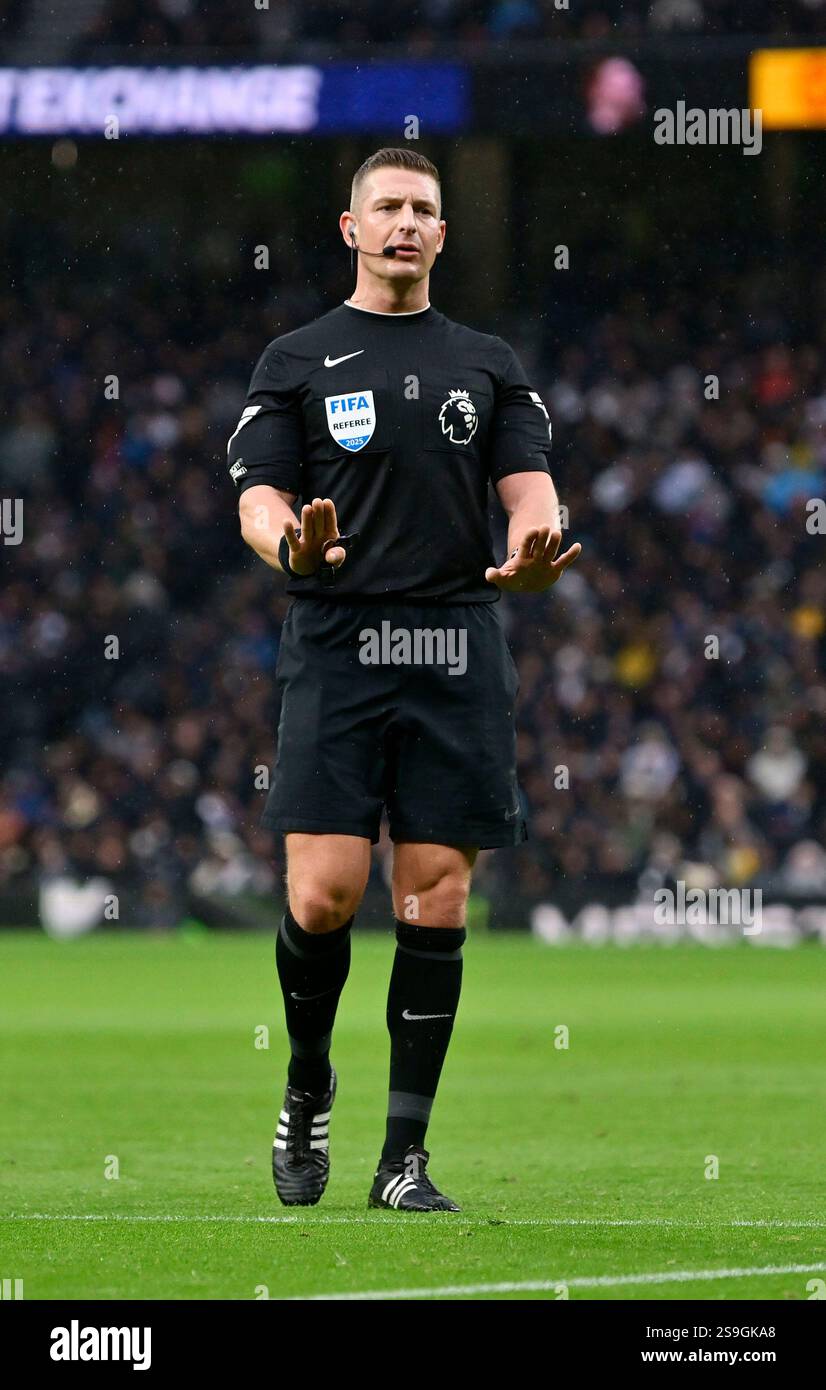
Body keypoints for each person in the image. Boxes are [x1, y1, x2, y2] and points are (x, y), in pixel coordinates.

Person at [227, 147, 581, 1212]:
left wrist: (532, 544)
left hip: (455, 646)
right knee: (322, 894)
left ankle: (402, 1160)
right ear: (349, 228)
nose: (405, 223)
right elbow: (255, 497)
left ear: (441, 233)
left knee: (435, 895)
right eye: (386, 206)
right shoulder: (295, 359)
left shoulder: (486, 361)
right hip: (337, 643)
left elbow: (530, 488)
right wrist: (291, 545)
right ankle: (306, 1082)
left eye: (424, 209)